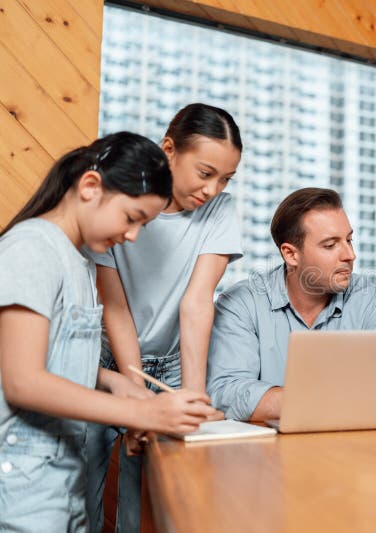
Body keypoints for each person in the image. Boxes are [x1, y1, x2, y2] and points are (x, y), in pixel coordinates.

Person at [0, 132, 219, 531]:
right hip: (19, 484)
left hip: (59, 479)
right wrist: (145, 410)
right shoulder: (31, 250)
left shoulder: (80, 262)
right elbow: (22, 380)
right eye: (132, 218)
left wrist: (114, 382)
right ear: (90, 187)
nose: (132, 236)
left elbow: (53, 352)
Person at [85, 103, 244, 532]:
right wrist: (137, 398)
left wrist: (192, 398)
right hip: (107, 360)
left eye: (226, 178)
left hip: (173, 364)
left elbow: (196, 303)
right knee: (83, 495)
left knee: (153, 500)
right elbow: (114, 307)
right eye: (205, 172)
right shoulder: (120, 202)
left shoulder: (219, 210)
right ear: (169, 150)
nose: (213, 189)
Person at [206, 187, 376, 421]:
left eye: (349, 240)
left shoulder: (375, 303)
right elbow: (227, 393)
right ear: (291, 254)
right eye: (330, 245)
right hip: (268, 453)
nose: (350, 255)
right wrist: (342, 399)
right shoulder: (241, 304)